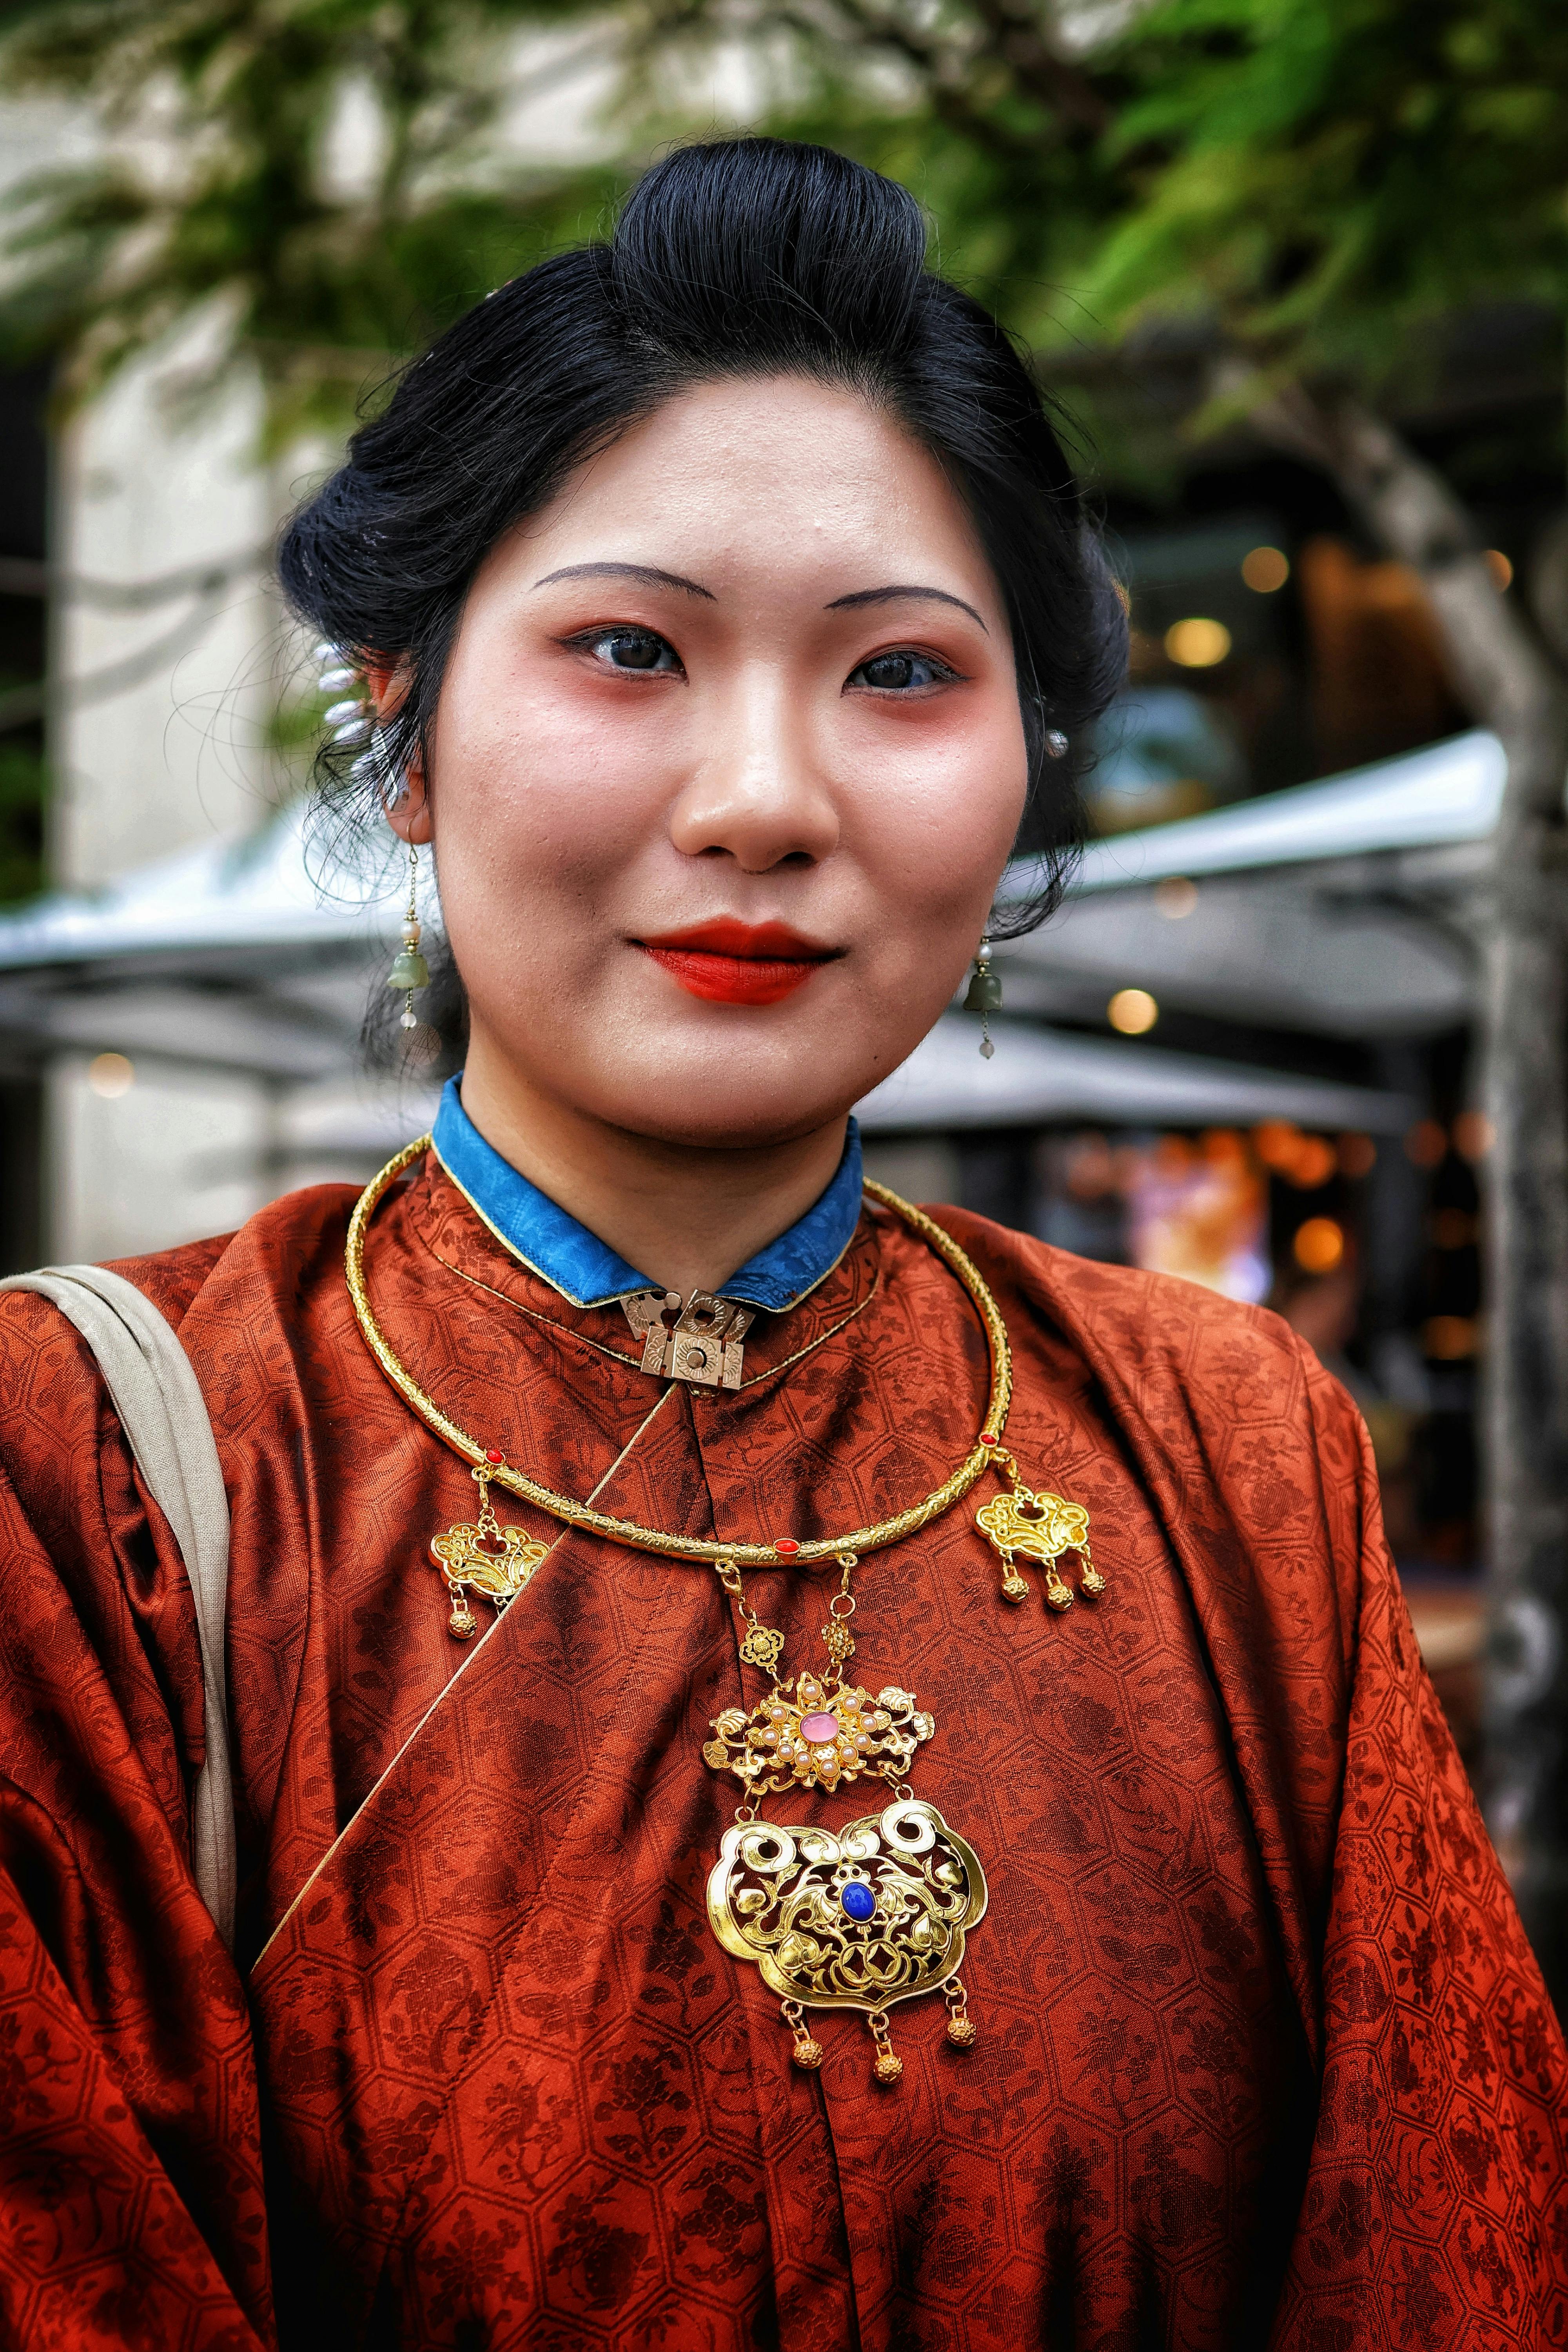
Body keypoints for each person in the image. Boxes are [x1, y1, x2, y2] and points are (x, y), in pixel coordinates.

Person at [1, 138, 1563, 2352]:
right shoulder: (82, 1485)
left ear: (1024, 757)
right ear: (403, 719)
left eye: (898, 674)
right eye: (628, 648)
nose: (764, 798)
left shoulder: (1233, 1458)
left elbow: (1449, 2260)